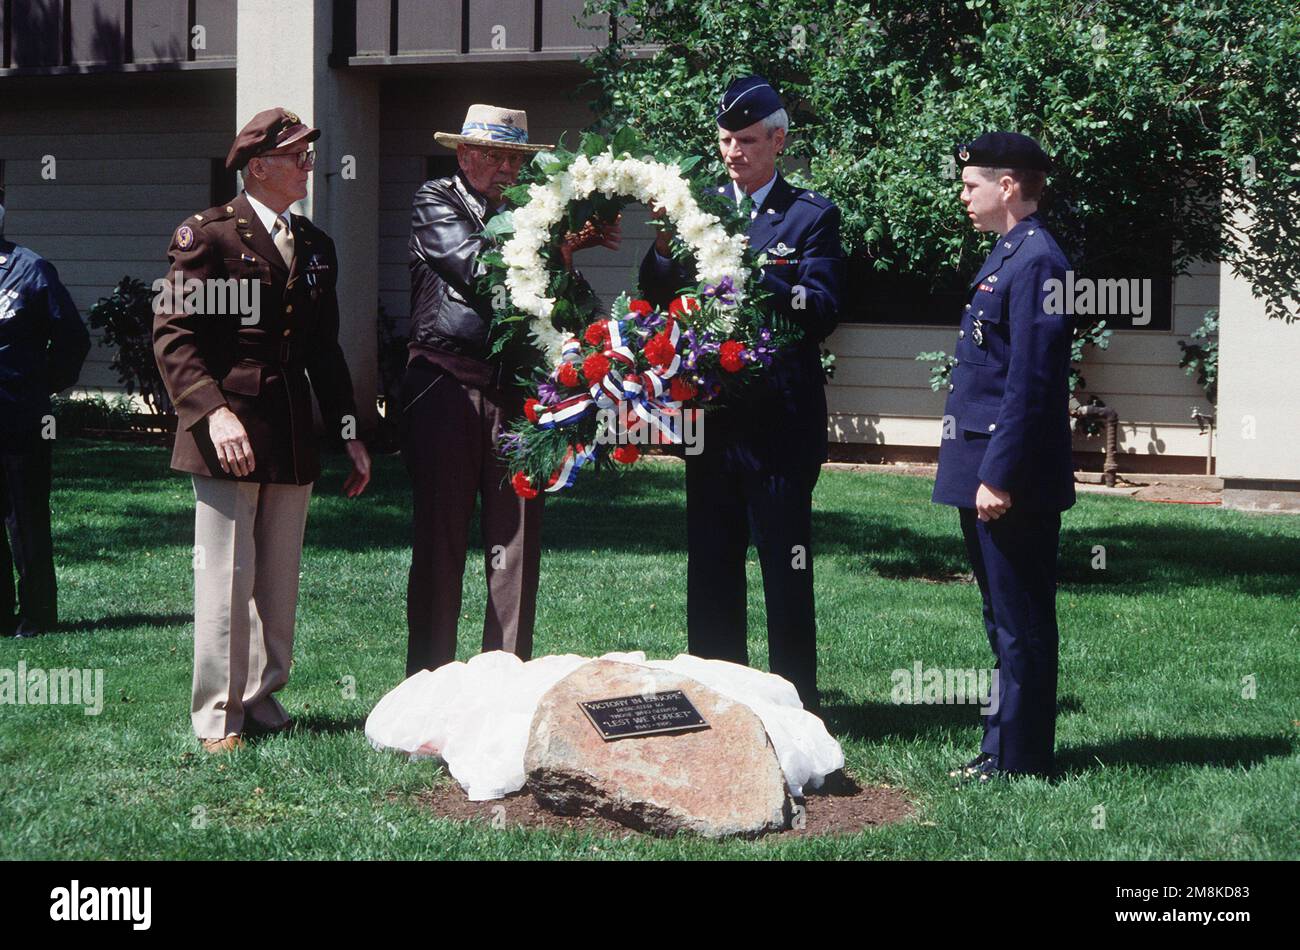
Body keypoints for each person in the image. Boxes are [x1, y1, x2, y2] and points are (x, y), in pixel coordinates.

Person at [154, 107, 372, 753]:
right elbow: (173, 334)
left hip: (290, 427)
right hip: (225, 427)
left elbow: (323, 349)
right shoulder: (208, 236)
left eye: (310, 154)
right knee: (226, 575)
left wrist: (351, 430)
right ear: (259, 167)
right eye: (298, 155)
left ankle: (263, 697)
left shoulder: (314, 244)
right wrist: (212, 411)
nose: (309, 165)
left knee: (277, 577)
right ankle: (218, 717)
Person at [638, 76, 845, 710]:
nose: (734, 152)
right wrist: (667, 243)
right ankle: (716, 698)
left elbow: (824, 307)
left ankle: (793, 705)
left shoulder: (811, 215)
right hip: (712, 420)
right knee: (712, 566)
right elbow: (654, 295)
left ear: (778, 140)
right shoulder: (696, 210)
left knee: (785, 566)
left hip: (779, 423)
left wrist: (751, 274)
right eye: (726, 140)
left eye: (748, 140)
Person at [403, 104, 620, 677]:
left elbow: (566, 304)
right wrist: (557, 246)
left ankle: (503, 682)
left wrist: (572, 260)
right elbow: (483, 273)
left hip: (516, 395)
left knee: (516, 542)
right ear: (464, 153)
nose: (505, 168)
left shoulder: (533, 216)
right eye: (494, 155)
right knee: (440, 541)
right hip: (445, 387)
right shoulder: (436, 201)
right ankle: (427, 686)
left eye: (515, 159)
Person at [932, 131, 1075, 781]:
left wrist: (998, 474)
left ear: (1007, 186)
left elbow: (1032, 384)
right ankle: (999, 749)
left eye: (971, 185)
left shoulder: (1039, 260)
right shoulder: (1010, 254)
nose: (963, 196)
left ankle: (1021, 761)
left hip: (1008, 476)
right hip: (984, 467)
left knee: (1020, 622)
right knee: (1001, 620)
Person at [0, 187, 91, 638]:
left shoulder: (31, 268)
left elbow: (73, 339)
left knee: (26, 516)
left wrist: (38, 386)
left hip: (21, 417)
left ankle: (37, 613)